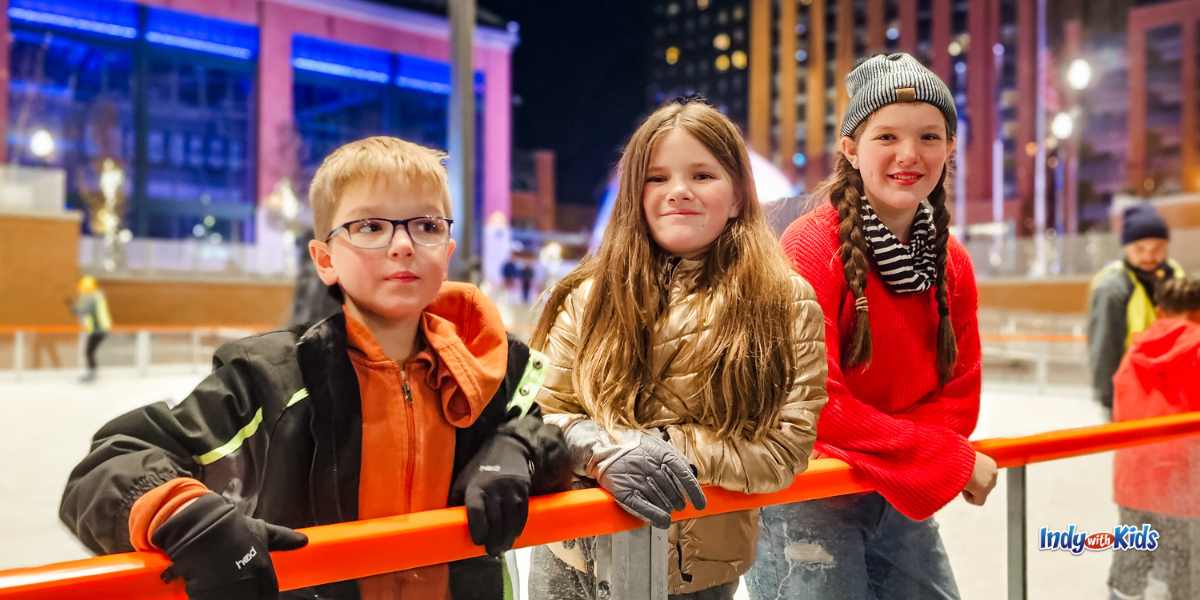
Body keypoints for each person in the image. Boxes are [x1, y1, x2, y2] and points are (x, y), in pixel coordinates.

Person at [59, 136, 571, 600]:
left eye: (427, 225)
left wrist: (522, 448)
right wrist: (185, 516)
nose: (403, 243)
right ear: (325, 259)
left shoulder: (491, 370)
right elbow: (111, 466)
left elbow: (551, 445)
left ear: (447, 249)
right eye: (370, 226)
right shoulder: (273, 379)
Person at [528, 97, 828, 599]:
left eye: (703, 175)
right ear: (634, 195)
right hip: (573, 556)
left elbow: (785, 449)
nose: (678, 192)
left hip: (698, 572)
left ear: (737, 195)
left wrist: (665, 448)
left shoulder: (785, 302)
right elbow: (536, 412)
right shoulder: (585, 294)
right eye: (657, 177)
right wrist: (606, 450)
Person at [748, 53, 994, 600]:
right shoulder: (811, 248)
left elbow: (960, 399)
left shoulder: (951, 262)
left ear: (950, 149)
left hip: (898, 490)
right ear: (851, 148)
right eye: (887, 137)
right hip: (807, 496)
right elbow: (816, 406)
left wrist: (911, 454)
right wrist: (939, 457)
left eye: (930, 137)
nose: (910, 155)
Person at [1108, 277, 1200, 600]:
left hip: (1133, 480)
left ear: (1159, 312)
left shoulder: (1134, 351)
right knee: (1183, 575)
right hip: (1184, 485)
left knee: (1130, 568)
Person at [1088, 203, 1185, 414]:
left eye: (1157, 248)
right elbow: (1105, 346)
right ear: (1126, 248)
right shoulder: (1112, 287)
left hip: (1172, 392)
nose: (1149, 256)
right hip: (1130, 390)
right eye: (1140, 249)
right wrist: (1109, 399)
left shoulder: (1175, 275)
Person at [70, 275, 111, 383]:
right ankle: (92, 372)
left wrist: (74, 308)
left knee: (89, 352)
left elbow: (84, 311)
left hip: (98, 330)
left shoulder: (91, 297)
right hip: (99, 329)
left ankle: (92, 373)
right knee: (90, 352)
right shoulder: (97, 296)